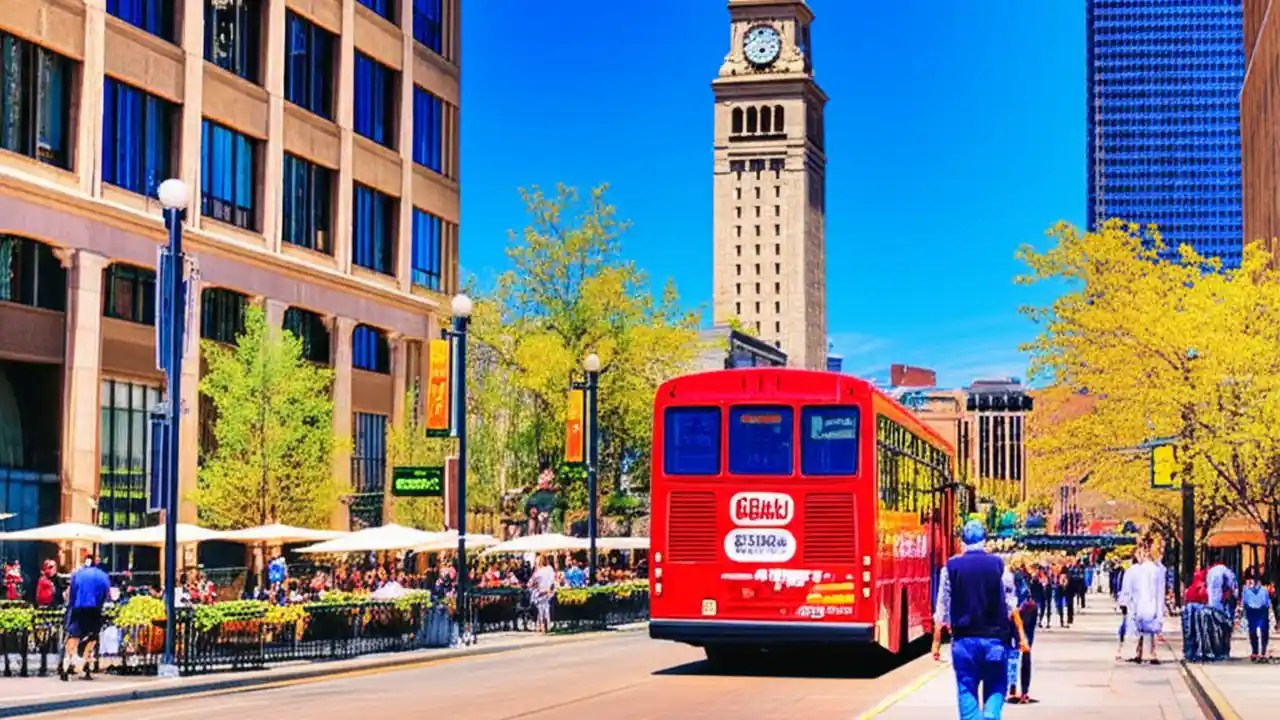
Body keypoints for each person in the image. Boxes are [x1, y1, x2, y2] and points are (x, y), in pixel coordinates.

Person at [932, 521, 1028, 720]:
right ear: (985, 540)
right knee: (995, 686)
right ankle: (991, 716)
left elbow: (942, 604)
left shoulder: (950, 567)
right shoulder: (999, 565)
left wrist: (936, 641)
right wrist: (1021, 636)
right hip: (995, 640)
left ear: (963, 541)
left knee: (966, 688)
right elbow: (1011, 604)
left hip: (963, 641)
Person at [61, 554, 111, 681]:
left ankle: (69, 662)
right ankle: (85, 665)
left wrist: (71, 605)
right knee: (93, 636)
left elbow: (72, 593)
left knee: (74, 635)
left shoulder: (78, 574)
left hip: (79, 608)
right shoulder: (103, 576)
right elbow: (106, 594)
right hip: (95, 610)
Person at [1119, 544, 1166, 664]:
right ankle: (1150, 653)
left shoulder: (1138, 569)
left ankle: (1141, 652)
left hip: (1140, 603)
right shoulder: (1156, 570)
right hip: (1149, 602)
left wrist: (1124, 601)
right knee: (1149, 629)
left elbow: (1128, 587)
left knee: (1140, 628)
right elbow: (1160, 590)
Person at [1242, 575, 1271, 662]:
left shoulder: (1246, 590)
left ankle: (1255, 652)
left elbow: (1245, 602)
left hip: (1251, 612)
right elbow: (1267, 603)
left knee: (1252, 631)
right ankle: (1263, 652)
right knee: (1264, 631)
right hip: (1262, 612)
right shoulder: (1264, 590)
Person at [528, 554, 558, 634]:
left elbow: (530, 583)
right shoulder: (550, 569)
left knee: (541, 609)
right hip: (549, 592)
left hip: (541, 592)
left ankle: (543, 626)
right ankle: (544, 625)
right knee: (545, 608)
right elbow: (553, 581)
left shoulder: (539, 572)